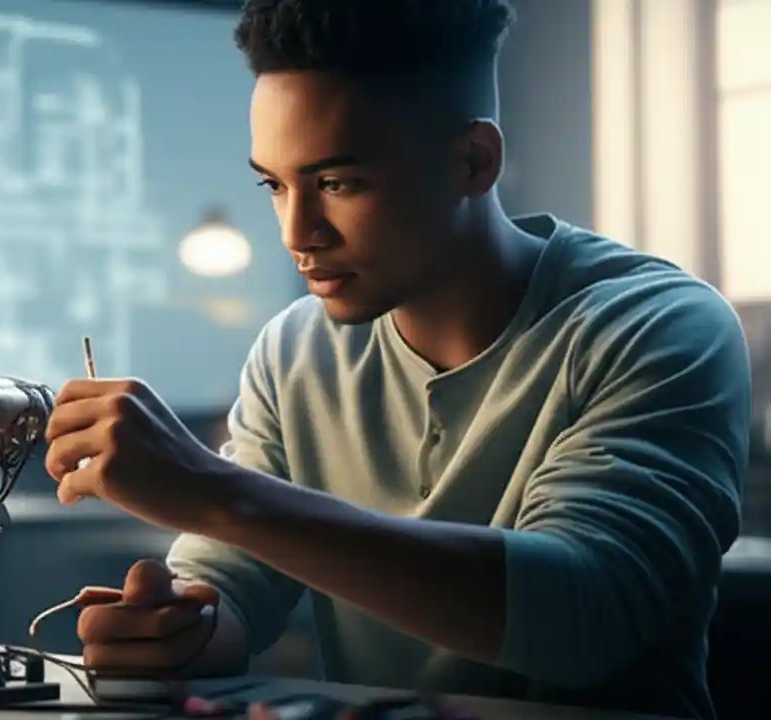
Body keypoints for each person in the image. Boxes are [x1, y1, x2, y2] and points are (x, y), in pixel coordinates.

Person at [41, 0, 751, 718]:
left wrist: (214, 492)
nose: (298, 232)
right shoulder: (293, 351)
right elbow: (227, 597)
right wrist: (168, 631)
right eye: (275, 184)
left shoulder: (656, 327)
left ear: (473, 161)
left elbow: (585, 618)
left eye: (339, 184)